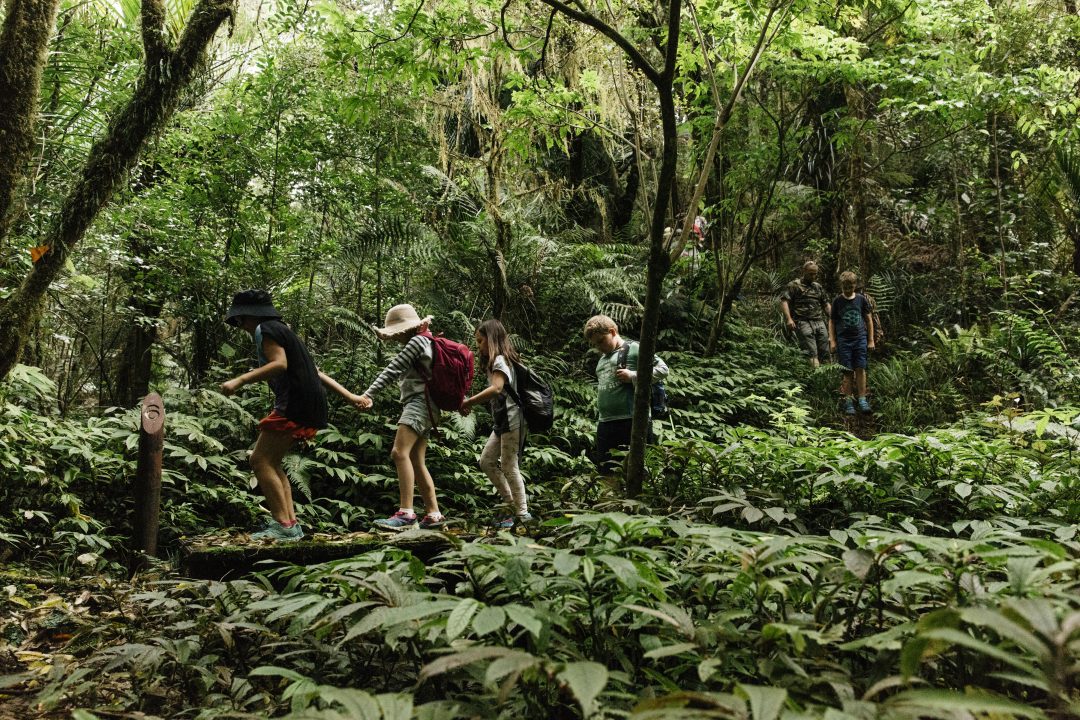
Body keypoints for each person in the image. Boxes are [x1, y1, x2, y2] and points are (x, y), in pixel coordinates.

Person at [220, 289, 364, 542]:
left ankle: (283, 526)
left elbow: (279, 365)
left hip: (295, 403)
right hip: (311, 403)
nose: (238, 326)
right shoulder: (285, 331)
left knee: (259, 460)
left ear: (244, 317)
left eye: (238, 321)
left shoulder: (265, 329)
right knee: (272, 462)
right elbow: (314, 371)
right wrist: (350, 396)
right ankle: (290, 524)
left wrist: (239, 380)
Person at [356, 304, 446, 531]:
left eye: (397, 332)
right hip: (428, 406)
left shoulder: (417, 342)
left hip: (419, 404)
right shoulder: (427, 340)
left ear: (406, 329)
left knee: (399, 452)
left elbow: (393, 369)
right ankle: (434, 514)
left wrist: (367, 394)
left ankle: (406, 513)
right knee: (416, 459)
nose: (395, 337)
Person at [460, 319, 534, 529]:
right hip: (502, 421)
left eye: (481, 341)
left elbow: (497, 388)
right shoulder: (496, 362)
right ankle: (510, 504)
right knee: (486, 461)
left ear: (491, 340)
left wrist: (470, 401)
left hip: (513, 419)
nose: (478, 346)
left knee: (509, 465)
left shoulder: (501, 360)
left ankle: (522, 513)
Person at [583, 315, 669, 474]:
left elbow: (663, 370)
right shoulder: (602, 359)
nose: (599, 347)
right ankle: (613, 499)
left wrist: (633, 376)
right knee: (606, 471)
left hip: (631, 420)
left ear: (612, 331)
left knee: (636, 471)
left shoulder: (634, 348)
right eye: (595, 344)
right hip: (605, 422)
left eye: (601, 341)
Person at [829, 271, 875, 415]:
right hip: (844, 340)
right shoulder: (837, 301)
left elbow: (868, 319)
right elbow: (831, 321)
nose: (848, 289)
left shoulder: (861, 299)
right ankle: (848, 400)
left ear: (855, 285)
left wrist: (871, 340)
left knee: (860, 368)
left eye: (851, 286)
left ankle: (862, 399)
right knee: (847, 371)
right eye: (845, 286)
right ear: (841, 285)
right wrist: (832, 340)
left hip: (860, 338)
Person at [780, 261, 831, 368]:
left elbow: (825, 304)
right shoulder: (794, 285)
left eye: (815, 274)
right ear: (804, 271)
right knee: (811, 353)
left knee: (825, 352)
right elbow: (784, 301)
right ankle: (816, 379)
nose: (813, 276)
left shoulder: (817, 287)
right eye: (810, 274)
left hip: (819, 321)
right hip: (803, 322)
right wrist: (789, 319)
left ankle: (828, 379)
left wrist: (834, 317)